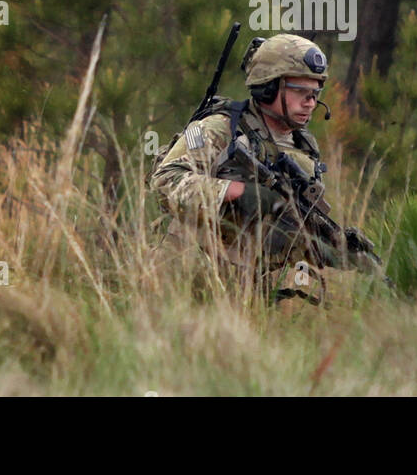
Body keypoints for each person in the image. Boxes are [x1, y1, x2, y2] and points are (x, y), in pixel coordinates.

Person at [149, 33, 382, 304]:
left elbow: (288, 233)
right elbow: (164, 181)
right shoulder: (218, 128)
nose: (310, 101)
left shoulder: (303, 149)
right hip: (181, 279)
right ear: (268, 86)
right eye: (300, 90)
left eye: (315, 92)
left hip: (246, 292)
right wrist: (237, 192)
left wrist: (334, 247)